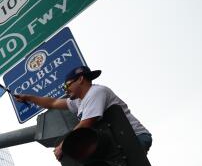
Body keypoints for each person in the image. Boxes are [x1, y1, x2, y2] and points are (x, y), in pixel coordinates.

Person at [14, 65, 151, 160]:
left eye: (67, 85)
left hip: (135, 136)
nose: (65, 90)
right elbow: (52, 103)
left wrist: (63, 145)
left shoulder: (96, 92)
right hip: (119, 138)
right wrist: (29, 97)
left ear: (80, 79)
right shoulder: (78, 101)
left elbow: (86, 123)